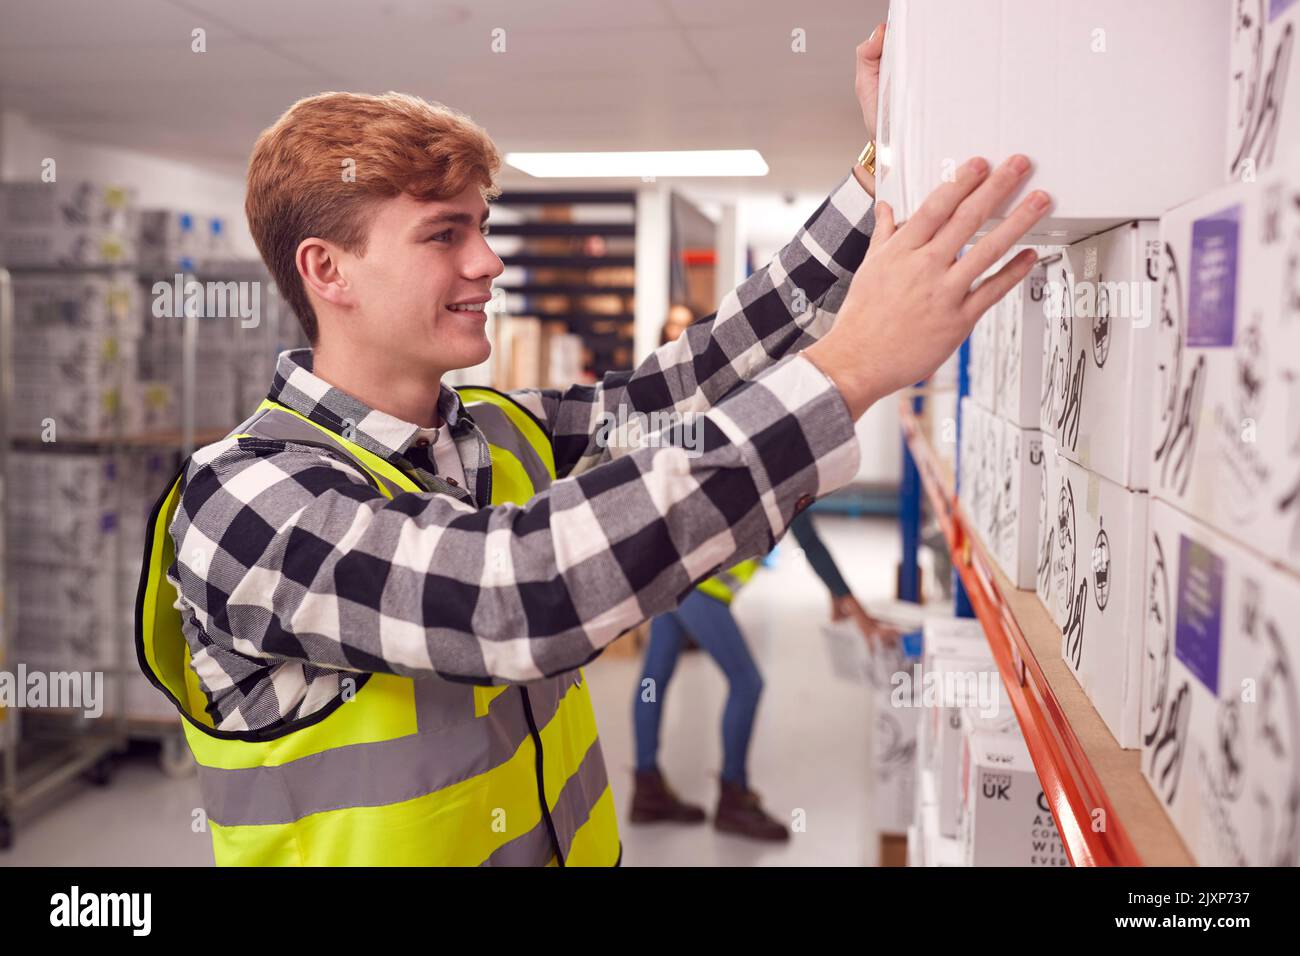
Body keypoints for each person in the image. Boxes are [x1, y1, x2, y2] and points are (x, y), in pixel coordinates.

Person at [137, 23, 1050, 866]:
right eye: (443, 234)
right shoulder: (242, 502)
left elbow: (692, 383)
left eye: (482, 226)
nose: (488, 261)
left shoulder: (496, 433)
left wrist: (880, 167)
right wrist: (848, 372)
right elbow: (517, 597)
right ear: (326, 269)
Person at [630, 312, 900, 841]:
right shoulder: (766, 449)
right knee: (747, 683)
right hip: (696, 589)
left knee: (652, 681)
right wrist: (857, 609)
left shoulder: (726, 430)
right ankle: (733, 795)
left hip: (672, 578)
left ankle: (646, 788)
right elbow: (811, 539)